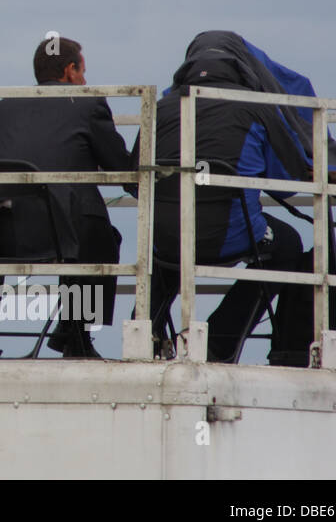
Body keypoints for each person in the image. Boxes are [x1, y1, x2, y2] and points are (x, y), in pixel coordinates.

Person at [133, 51, 310, 361]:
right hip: (230, 236)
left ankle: (143, 332)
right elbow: (290, 180)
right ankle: (219, 339)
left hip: (167, 239)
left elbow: (132, 180)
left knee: (174, 236)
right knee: (287, 245)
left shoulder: (160, 110)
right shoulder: (257, 108)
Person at [0, 37, 132, 357]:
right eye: (82, 72)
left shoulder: (5, 107)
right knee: (100, 235)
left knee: (76, 225)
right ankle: (75, 333)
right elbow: (121, 167)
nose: (85, 80)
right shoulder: (88, 103)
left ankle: (68, 329)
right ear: (69, 70)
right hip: (71, 238)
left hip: (7, 238)